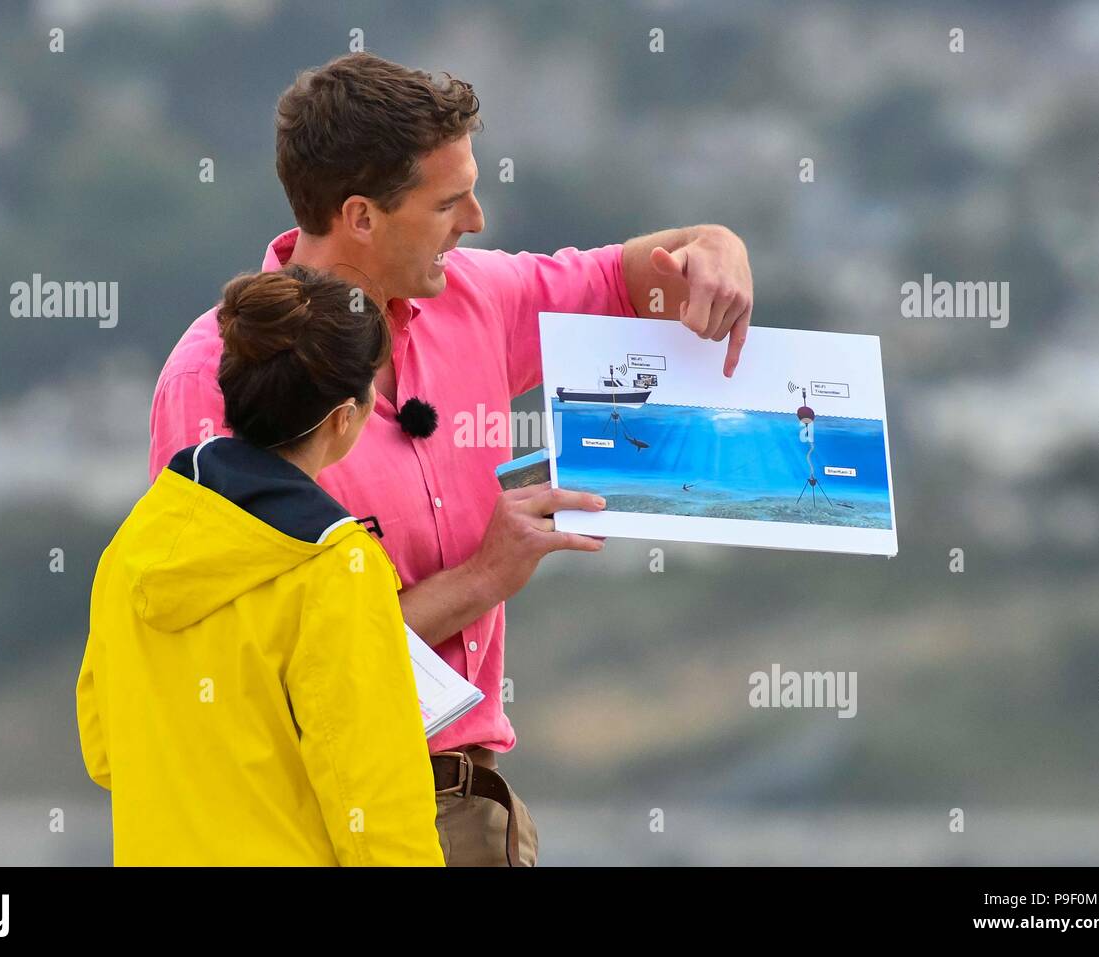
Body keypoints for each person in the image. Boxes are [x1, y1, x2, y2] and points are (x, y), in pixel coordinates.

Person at [148, 52, 754, 866]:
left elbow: (628, 282)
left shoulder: (478, 296)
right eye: (448, 200)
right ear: (360, 216)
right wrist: (483, 578)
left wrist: (716, 247)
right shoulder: (214, 381)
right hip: (308, 823)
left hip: (469, 810)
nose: (475, 218)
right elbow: (243, 674)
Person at [77, 265, 444, 866]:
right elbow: (379, 808)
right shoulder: (336, 564)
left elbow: (103, 751)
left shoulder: (136, 539)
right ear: (341, 418)